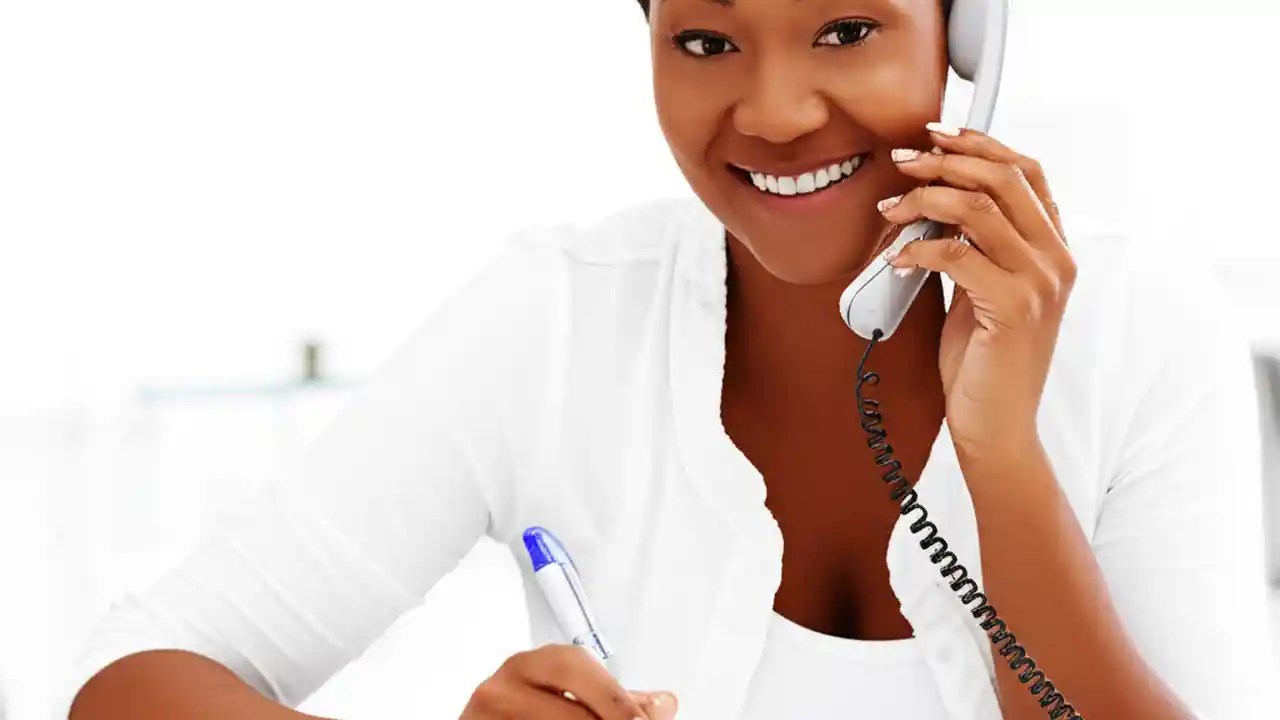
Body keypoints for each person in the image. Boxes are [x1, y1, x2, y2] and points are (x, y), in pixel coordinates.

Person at [61, 1, 1273, 719]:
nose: (776, 110)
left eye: (845, 30)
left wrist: (1000, 456)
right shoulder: (556, 316)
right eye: (703, 40)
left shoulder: (1142, 327)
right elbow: (131, 679)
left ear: (969, 37)